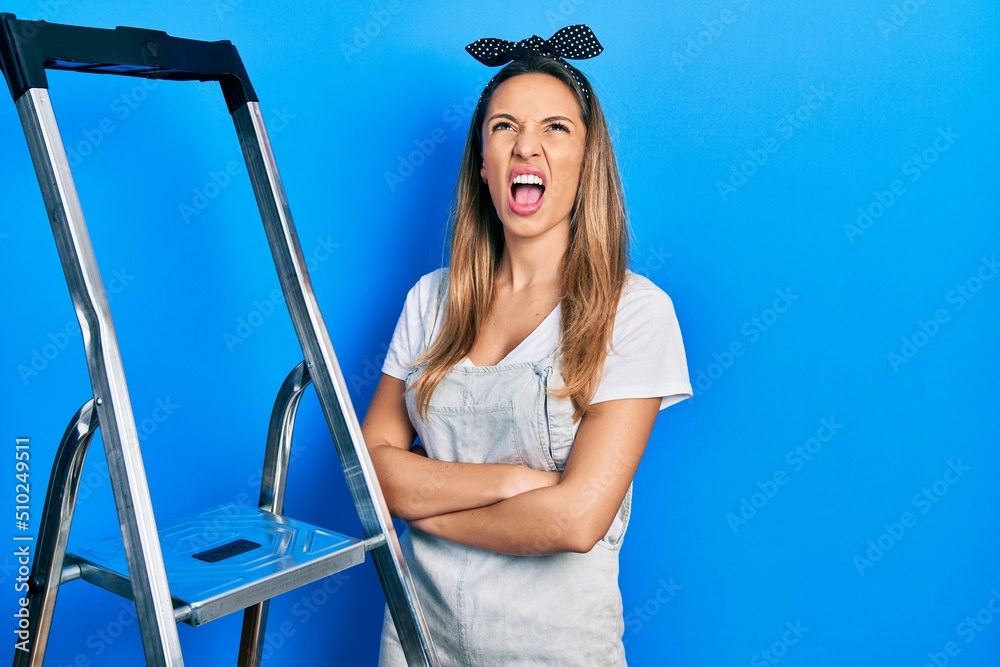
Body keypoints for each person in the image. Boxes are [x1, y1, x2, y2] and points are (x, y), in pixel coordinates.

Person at [363, 25, 692, 666]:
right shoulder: (430, 301)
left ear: (586, 159)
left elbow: (575, 520)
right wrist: (514, 482)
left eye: (556, 129)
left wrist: (432, 518)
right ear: (482, 162)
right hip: (417, 643)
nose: (527, 148)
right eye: (505, 127)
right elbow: (371, 469)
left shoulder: (635, 312)